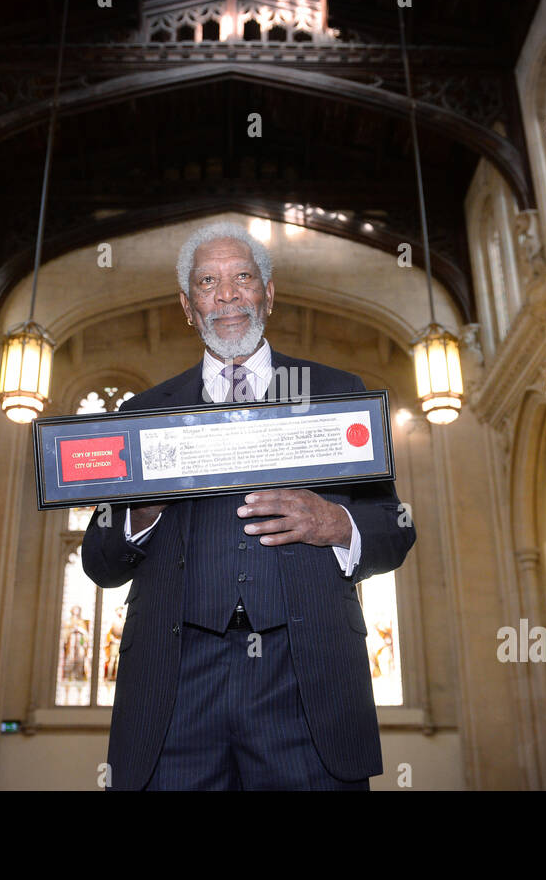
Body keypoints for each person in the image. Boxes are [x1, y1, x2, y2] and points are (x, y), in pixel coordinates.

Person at [81, 221, 416, 790]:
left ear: (268, 291)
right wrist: (141, 513)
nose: (228, 294)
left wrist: (336, 523)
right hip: (176, 686)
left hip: (303, 680)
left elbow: (395, 528)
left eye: (242, 277)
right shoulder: (143, 410)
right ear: (188, 306)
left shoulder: (338, 393)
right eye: (209, 282)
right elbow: (99, 560)